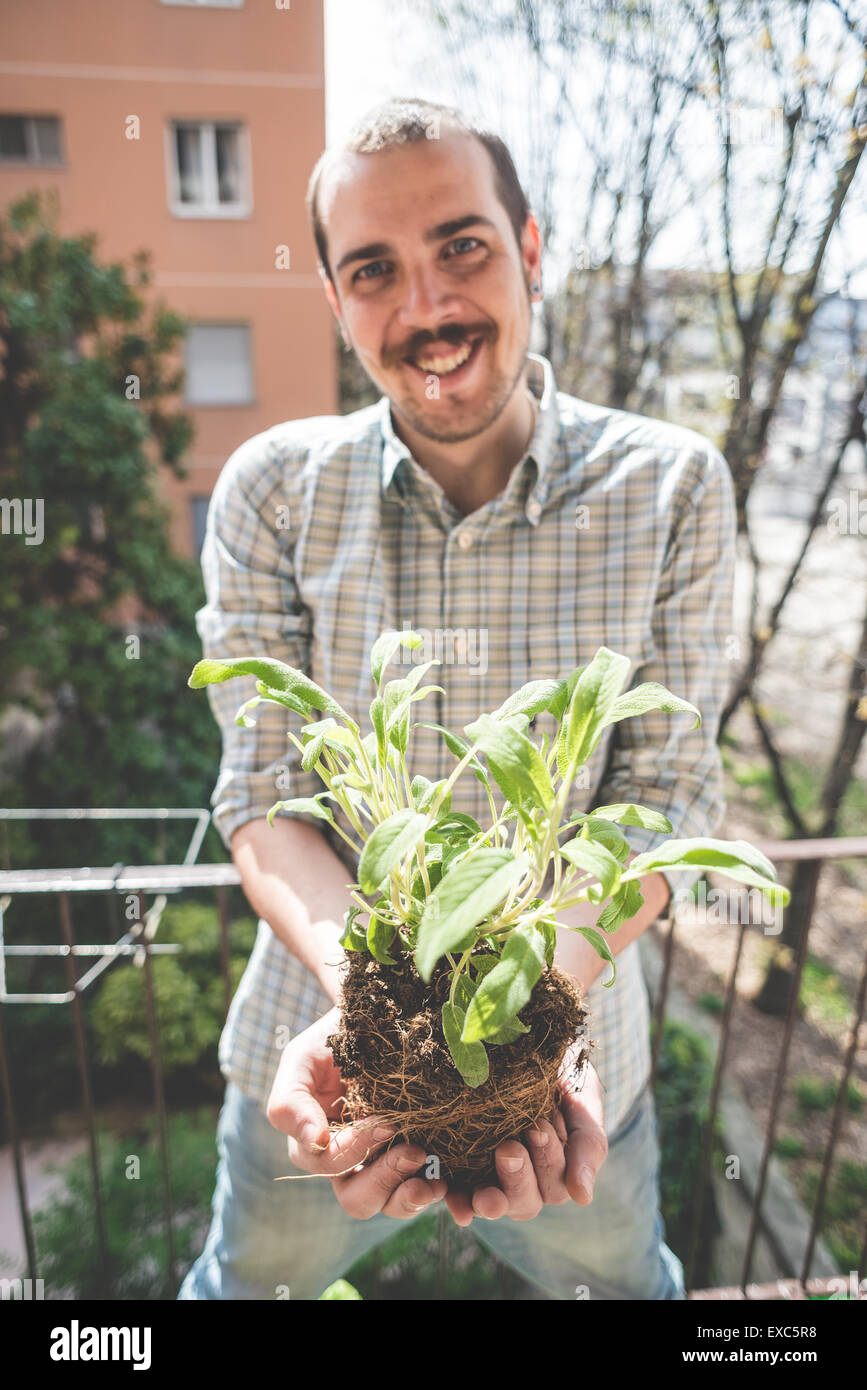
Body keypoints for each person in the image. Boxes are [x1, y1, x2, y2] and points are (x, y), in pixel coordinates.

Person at [178, 97, 735, 1302]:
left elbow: (664, 796)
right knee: (244, 1293)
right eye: (374, 268)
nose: (427, 307)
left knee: (625, 1292)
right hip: (325, 1058)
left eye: (462, 247)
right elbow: (265, 791)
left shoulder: (673, 485)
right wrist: (379, 1022)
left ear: (531, 250)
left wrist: (522, 1014)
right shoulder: (270, 489)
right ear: (334, 299)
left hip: (573, 1068)